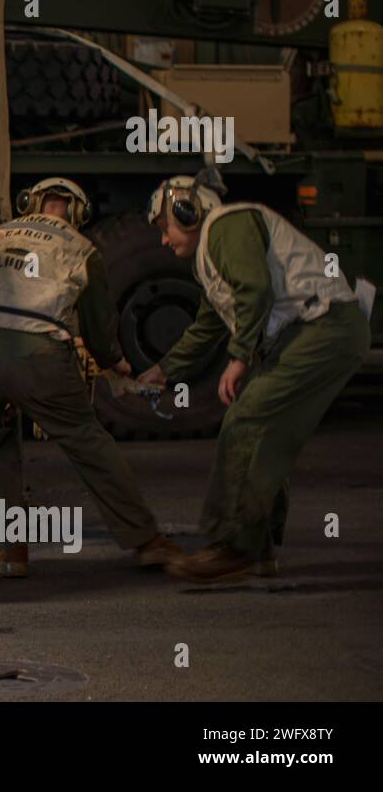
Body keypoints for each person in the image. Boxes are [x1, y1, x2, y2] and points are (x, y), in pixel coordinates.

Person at [140, 171, 370, 583]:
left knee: (246, 421)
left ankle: (231, 548)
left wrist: (239, 357)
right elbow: (207, 327)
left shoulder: (226, 225)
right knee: (267, 434)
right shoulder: (210, 258)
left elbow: (255, 290)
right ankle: (256, 546)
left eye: (165, 227)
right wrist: (163, 371)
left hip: (323, 326)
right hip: (320, 331)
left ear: (188, 212)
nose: (162, 239)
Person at [0, 177, 182, 577]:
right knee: (88, 443)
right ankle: (146, 540)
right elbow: (97, 330)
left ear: (30, 203)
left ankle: (12, 552)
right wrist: (116, 365)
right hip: (38, 357)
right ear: (79, 213)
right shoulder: (81, 248)